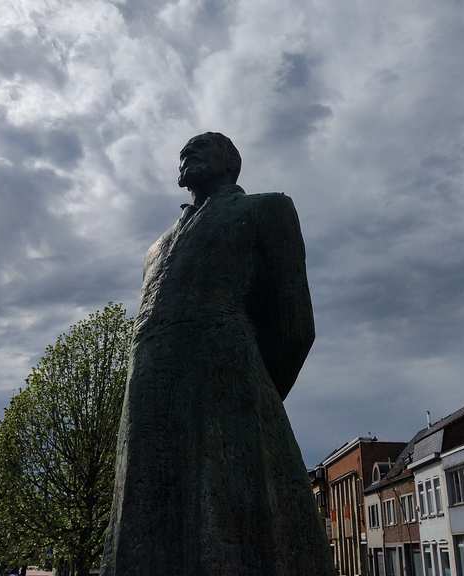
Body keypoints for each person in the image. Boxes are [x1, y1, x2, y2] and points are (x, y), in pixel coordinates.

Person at [101, 132, 333, 575]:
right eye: (184, 151)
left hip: (226, 380)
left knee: (225, 513)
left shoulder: (266, 210)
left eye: (203, 147)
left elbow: (294, 324)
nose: (188, 153)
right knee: (142, 510)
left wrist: (253, 395)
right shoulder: (156, 247)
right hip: (148, 390)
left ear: (231, 162)